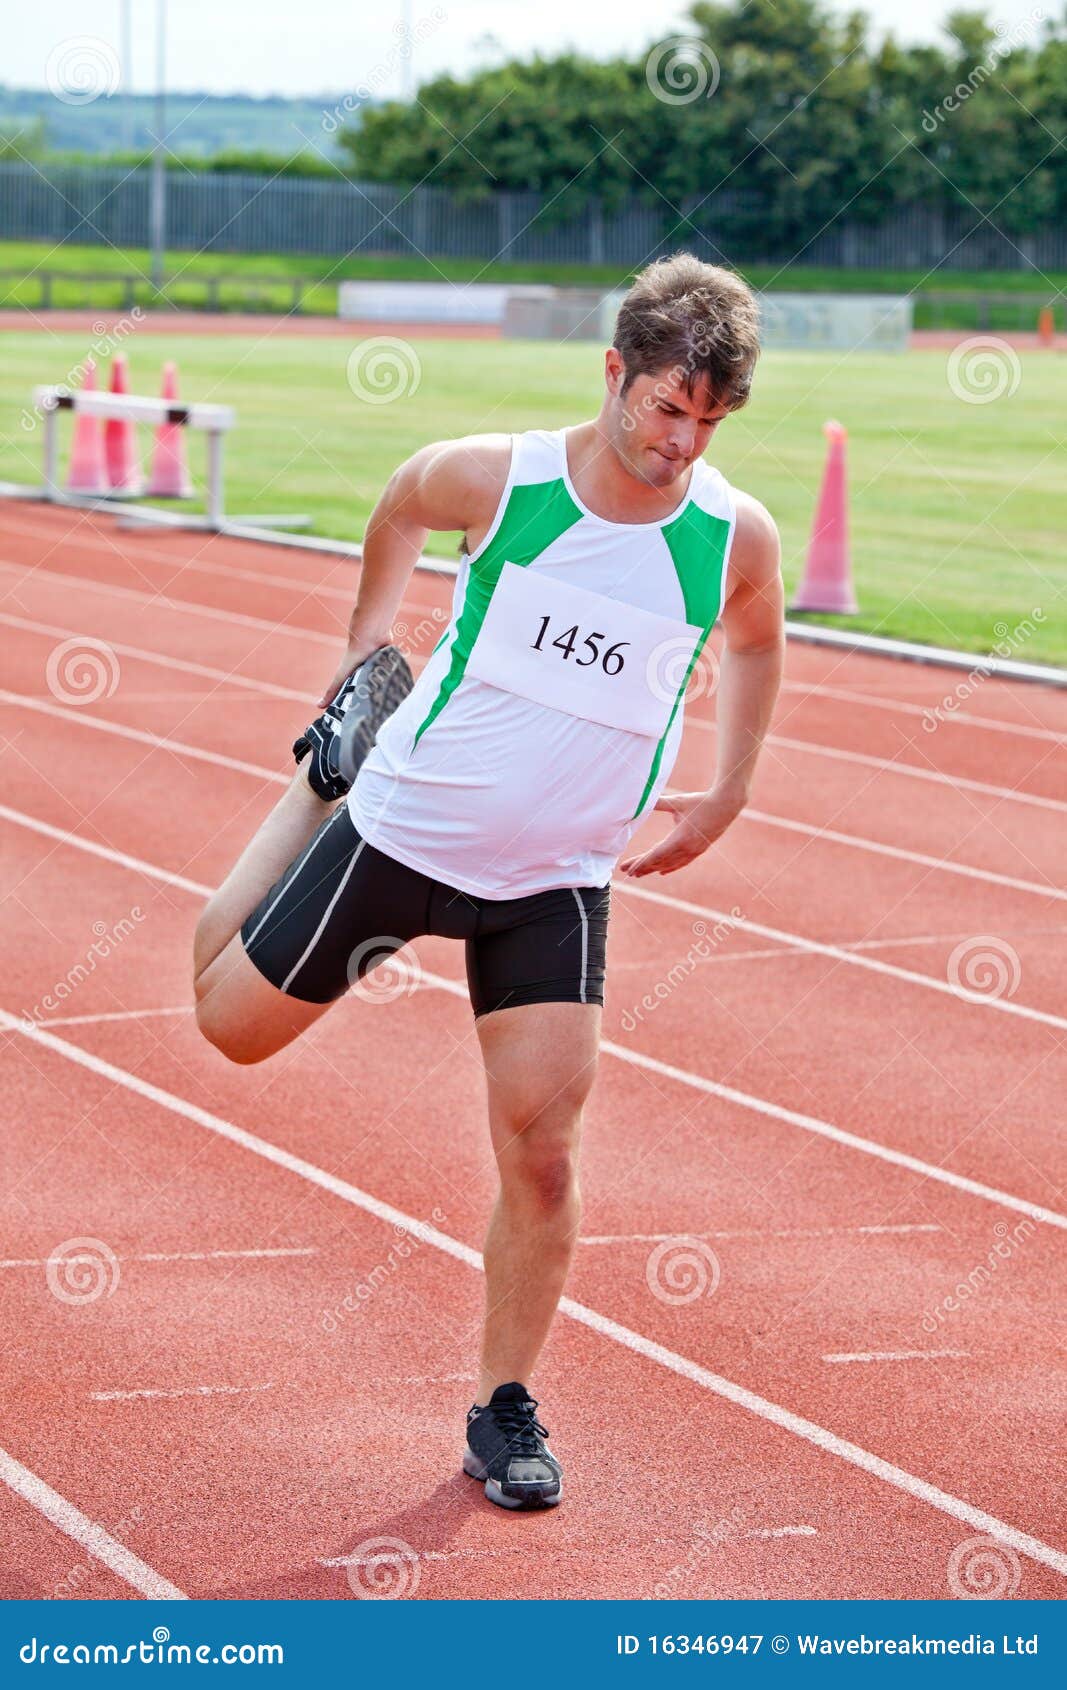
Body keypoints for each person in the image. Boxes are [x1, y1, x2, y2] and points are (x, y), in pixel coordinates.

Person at [192, 252, 784, 1511]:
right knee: (224, 1025)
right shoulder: (501, 479)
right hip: (400, 833)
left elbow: (757, 634)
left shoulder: (726, 532)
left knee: (543, 1150)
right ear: (613, 371)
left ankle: (501, 1404)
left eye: (709, 420)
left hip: (553, 880)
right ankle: (315, 782)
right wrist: (364, 653)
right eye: (666, 409)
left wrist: (727, 790)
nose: (682, 442)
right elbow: (400, 502)